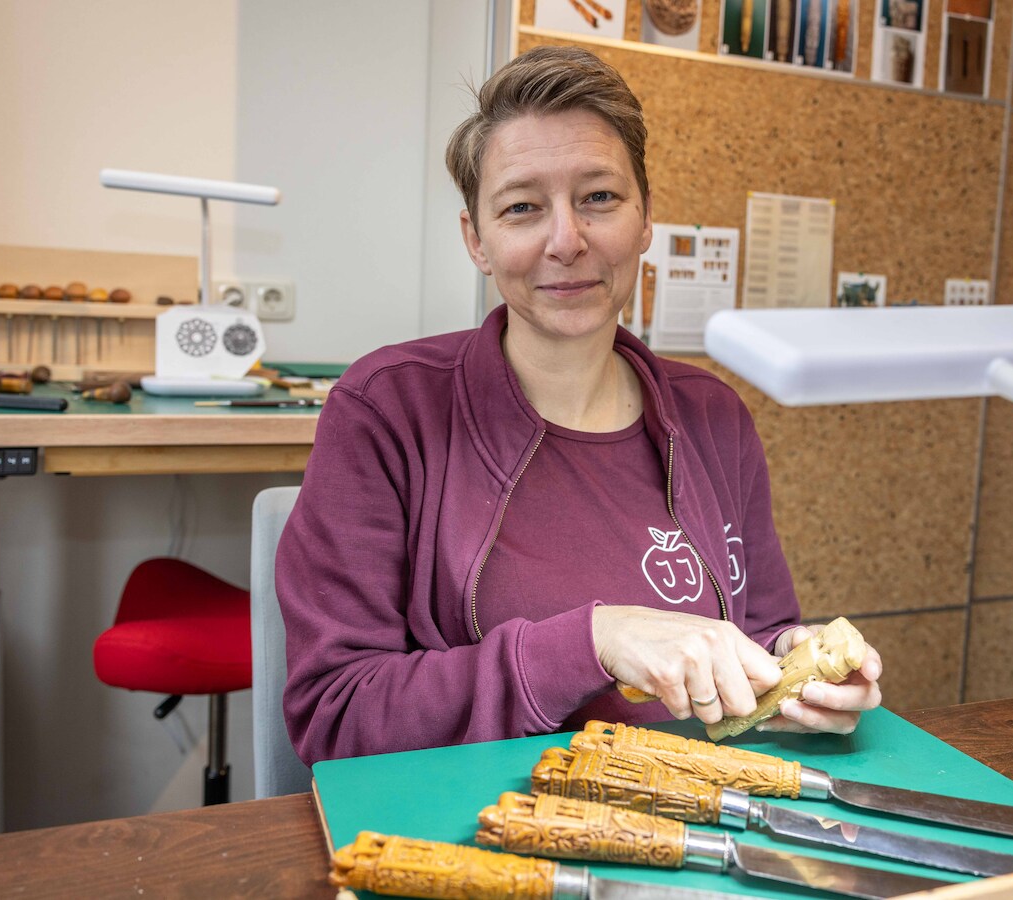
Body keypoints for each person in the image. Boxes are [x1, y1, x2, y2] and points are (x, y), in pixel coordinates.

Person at [277, 45, 882, 762]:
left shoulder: (714, 416)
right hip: (485, 832)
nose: (566, 240)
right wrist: (595, 640)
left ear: (645, 217)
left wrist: (794, 668)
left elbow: (761, 628)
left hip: (688, 829)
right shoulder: (386, 409)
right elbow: (336, 717)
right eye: (522, 208)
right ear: (476, 239)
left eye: (598, 197)